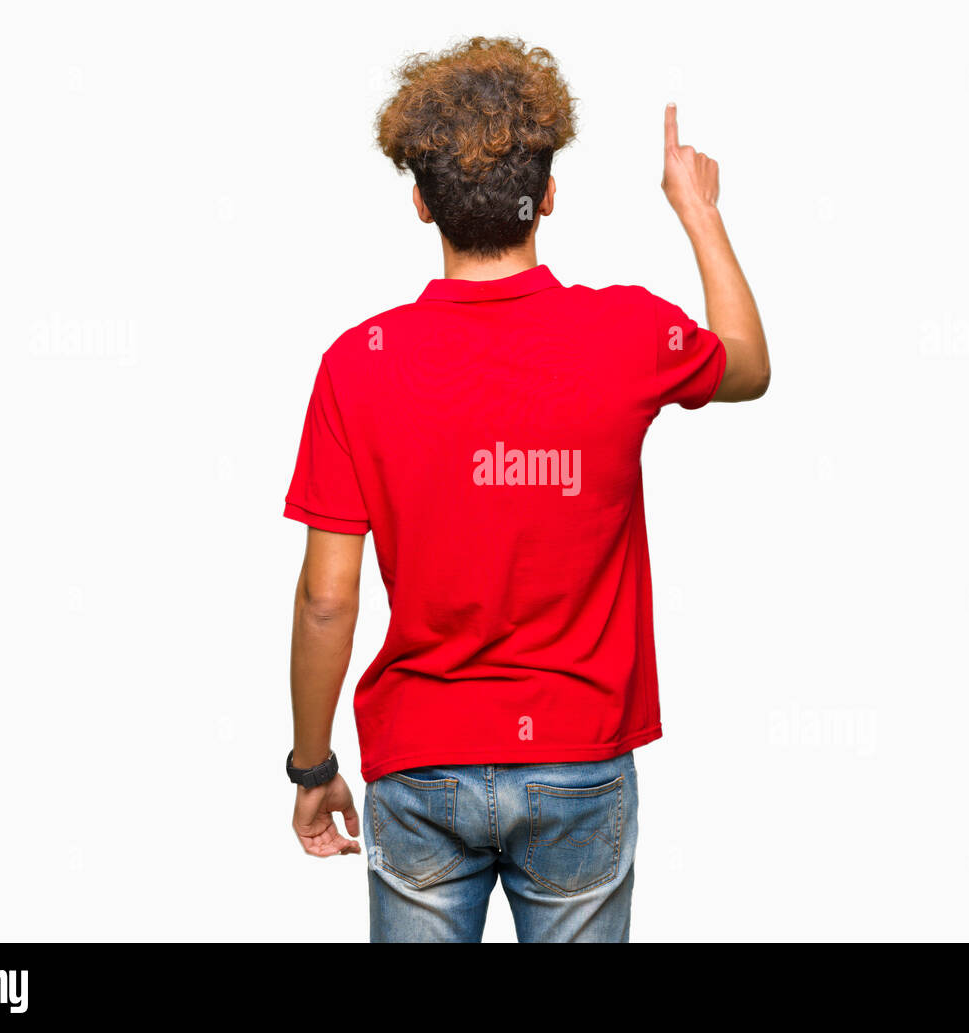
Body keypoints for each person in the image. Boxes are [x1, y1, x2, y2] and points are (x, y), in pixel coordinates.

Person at [282, 36, 769, 942]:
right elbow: (746, 367)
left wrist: (311, 768)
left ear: (421, 202)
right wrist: (697, 210)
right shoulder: (626, 332)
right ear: (547, 195)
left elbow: (325, 599)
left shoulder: (357, 366)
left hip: (419, 761)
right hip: (577, 761)